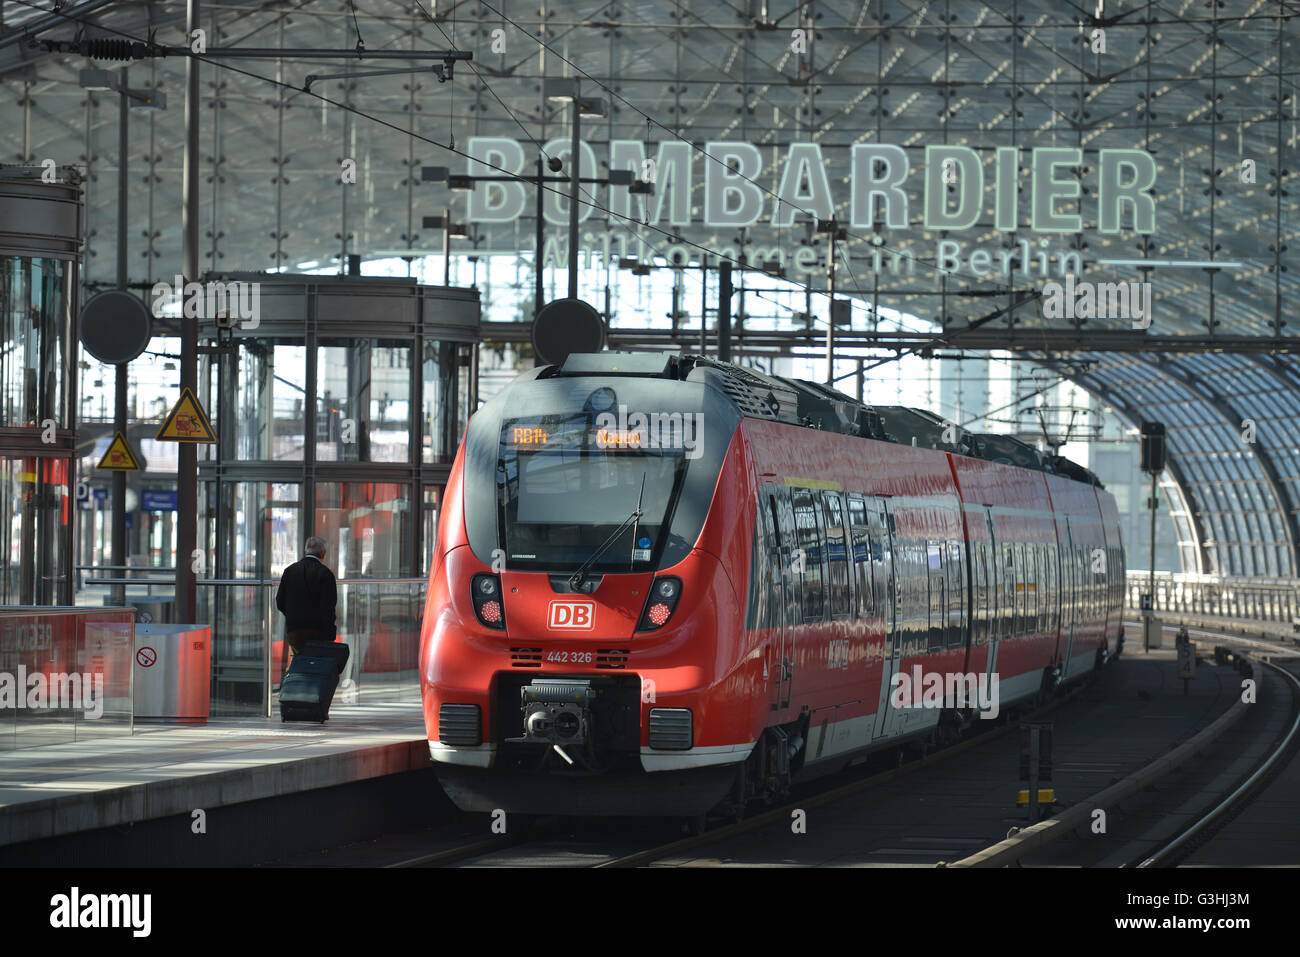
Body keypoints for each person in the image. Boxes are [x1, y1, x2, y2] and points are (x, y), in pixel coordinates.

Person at [276, 536, 338, 655]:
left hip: (294, 630)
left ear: (306, 550)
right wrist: (330, 634)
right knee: (316, 666)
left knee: (300, 663)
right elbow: (328, 607)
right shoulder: (325, 573)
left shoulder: (289, 571)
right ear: (323, 553)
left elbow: (280, 601)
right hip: (318, 630)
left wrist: (293, 616)